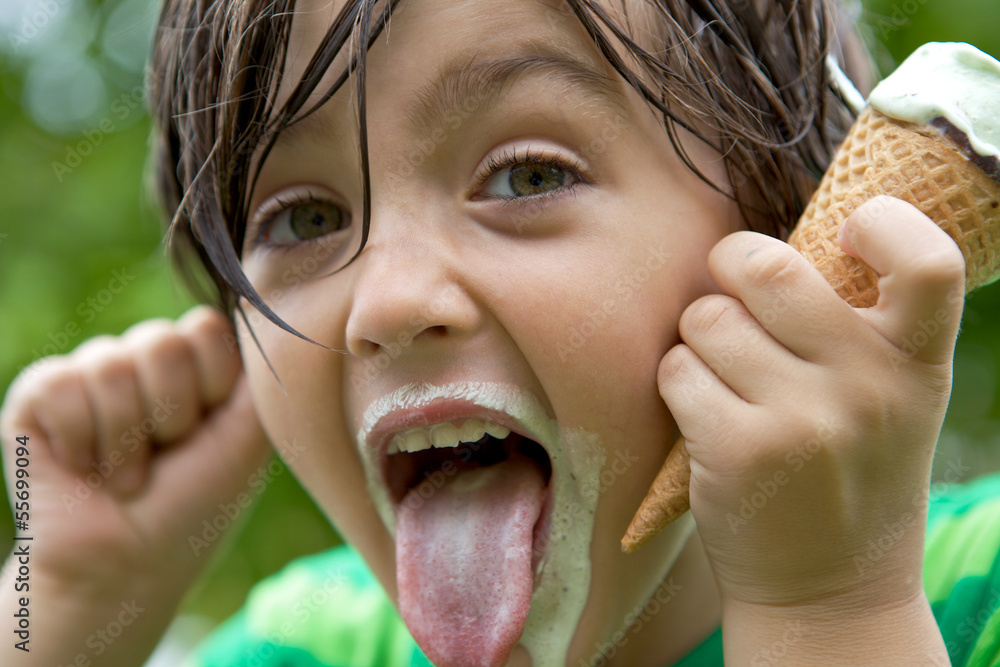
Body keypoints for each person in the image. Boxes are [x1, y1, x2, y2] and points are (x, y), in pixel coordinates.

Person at [3, 0, 999, 664]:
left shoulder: (981, 584)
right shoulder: (316, 641)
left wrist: (832, 607)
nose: (386, 302)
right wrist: (69, 612)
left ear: (795, 234)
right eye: (305, 219)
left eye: (528, 174)